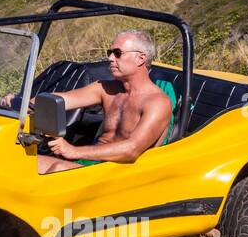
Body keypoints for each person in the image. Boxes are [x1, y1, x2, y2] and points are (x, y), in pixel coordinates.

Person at [30, 29, 173, 174]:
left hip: (122, 173)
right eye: (109, 53)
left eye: (118, 53)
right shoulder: (106, 88)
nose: (110, 58)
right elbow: (62, 99)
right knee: (24, 163)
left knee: (58, 170)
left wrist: (73, 151)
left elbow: (132, 149)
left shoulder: (157, 102)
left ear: (140, 59)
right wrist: (22, 102)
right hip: (91, 165)